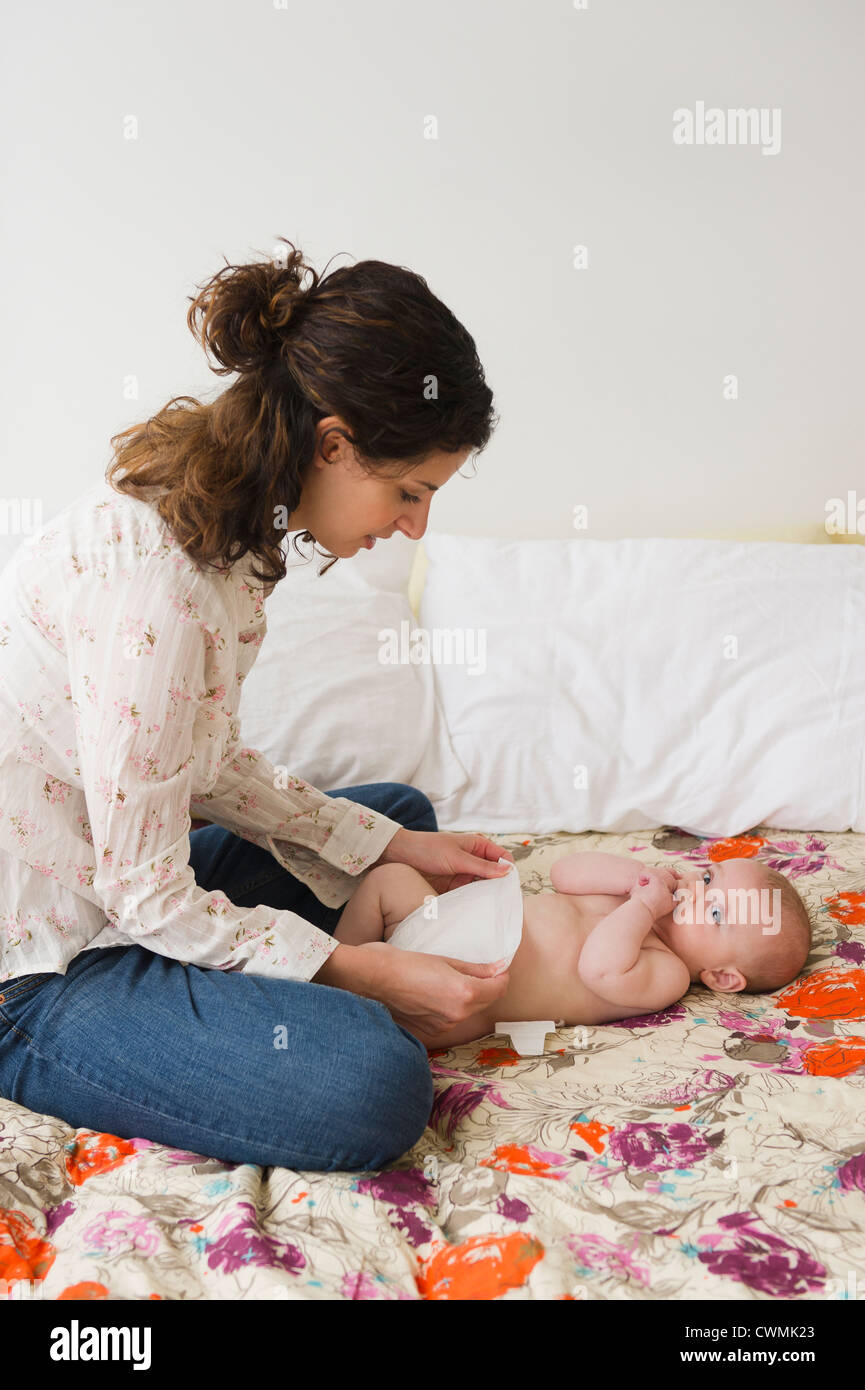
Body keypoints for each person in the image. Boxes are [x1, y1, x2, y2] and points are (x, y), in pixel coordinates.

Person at [0, 237, 514, 1172]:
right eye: (408, 491)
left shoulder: (228, 532)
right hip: (40, 957)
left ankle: (287, 974)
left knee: (400, 818)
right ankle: (127, 1036)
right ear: (332, 444)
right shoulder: (154, 582)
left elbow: (200, 762)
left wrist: (391, 848)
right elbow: (147, 893)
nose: (414, 525)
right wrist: (360, 975)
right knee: (374, 1084)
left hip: (100, 865)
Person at [331, 852, 813, 1049]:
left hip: (457, 991)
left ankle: (336, 1000)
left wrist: (643, 909)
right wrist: (630, 878)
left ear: (721, 976)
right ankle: (335, 963)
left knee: (385, 1030)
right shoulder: (634, 891)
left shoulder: (666, 972)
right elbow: (565, 874)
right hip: (440, 925)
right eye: (708, 879)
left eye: (714, 915)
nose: (697, 893)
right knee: (388, 880)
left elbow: (597, 969)